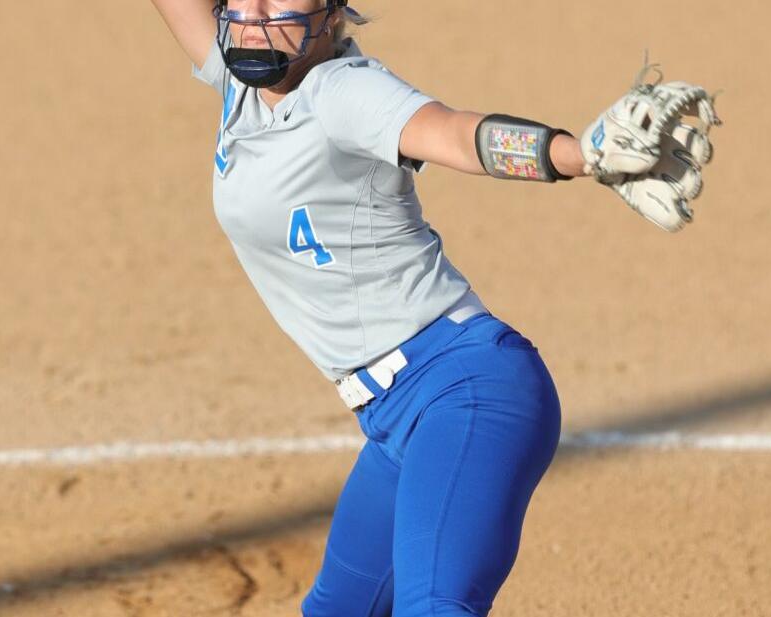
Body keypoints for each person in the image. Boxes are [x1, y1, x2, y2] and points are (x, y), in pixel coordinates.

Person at [148, 1, 717, 615]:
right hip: (396, 418)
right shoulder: (239, 86)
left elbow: (452, 133)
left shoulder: (344, 92)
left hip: (466, 393)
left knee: (437, 606)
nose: (258, 13)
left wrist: (577, 155)